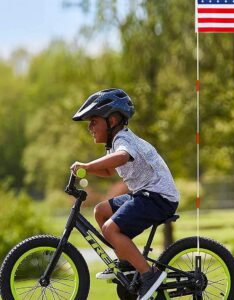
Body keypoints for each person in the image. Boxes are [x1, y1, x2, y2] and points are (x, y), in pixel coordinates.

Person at [71, 88, 179, 300]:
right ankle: (128, 267)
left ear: (111, 120)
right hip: (144, 194)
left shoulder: (123, 140)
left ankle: (149, 275)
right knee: (101, 211)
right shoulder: (113, 145)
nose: (90, 128)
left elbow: (121, 158)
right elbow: (110, 170)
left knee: (111, 229)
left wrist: (86, 164)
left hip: (158, 197)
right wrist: (87, 170)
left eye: (93, 121)